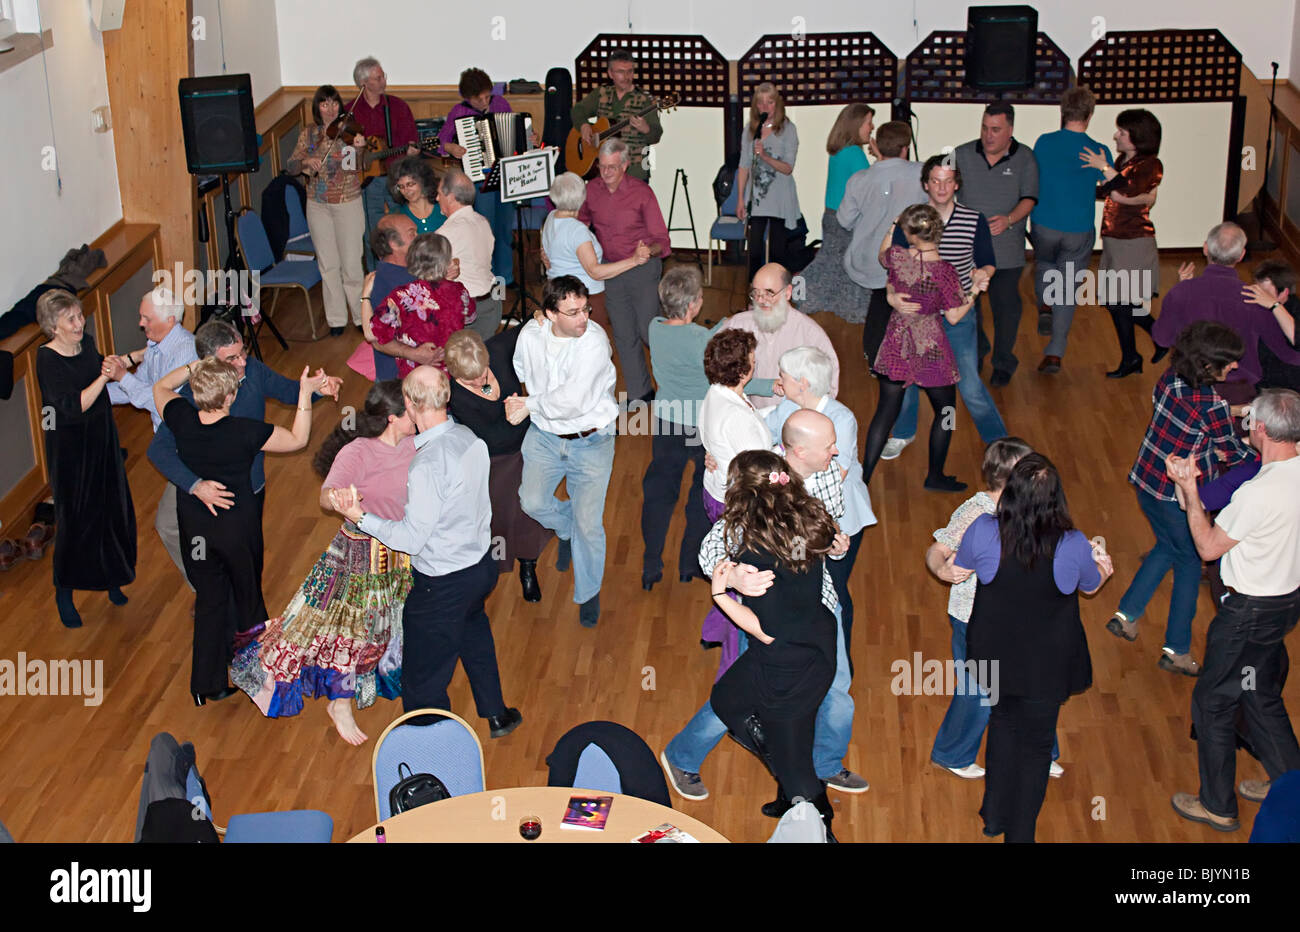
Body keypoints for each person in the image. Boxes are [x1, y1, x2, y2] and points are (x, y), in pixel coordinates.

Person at [662, 414, 866, 805]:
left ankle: (812, 770)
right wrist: (734, 579)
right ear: (797, 452)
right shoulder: (760, 485)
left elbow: (821, 534)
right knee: (749, 697)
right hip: (778, 621)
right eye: (829, 446)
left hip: (818, 605)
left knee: (831, 693)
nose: (837, 453)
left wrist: (833, 546)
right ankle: (692, 756)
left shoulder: (827, 477)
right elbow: (710, 554)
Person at [333, 367, 522, 737]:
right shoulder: (470, 439)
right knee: (473, 633)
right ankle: (496, 714)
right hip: (480, 568)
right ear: (446, 396)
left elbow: (411, 539)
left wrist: (360, 516)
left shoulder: (427, 464)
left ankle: (432, 753)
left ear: (410, 403)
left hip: (442, 584)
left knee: (422, 681)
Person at [231, 380, 416, 744]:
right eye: (413, 408)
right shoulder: (358, 452)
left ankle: (381, 691)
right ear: (394, 418)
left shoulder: (418, 443)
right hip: (358, 556)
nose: (420, 413)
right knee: (347, 633)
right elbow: (326, 495)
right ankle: (340, 703)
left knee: (386, 629)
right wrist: (340, 499)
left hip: (400, 552)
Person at [954, 453, 1112, 842]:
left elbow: (965, 565)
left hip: (994, 651)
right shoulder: (1072, 543)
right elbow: (1090, 586)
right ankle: (1021, 832)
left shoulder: (982, 530)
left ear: (1009, 492)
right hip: (1047, 660)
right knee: (1037, 745)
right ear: (1056, 498)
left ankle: (994, 814)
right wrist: (1104, 567)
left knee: (1003, 724)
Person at [152, 357, 323, 706]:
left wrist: (193, 366)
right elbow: (298, 439)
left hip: (196, 530)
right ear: (229, 396)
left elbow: (160, 388)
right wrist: (305, 393)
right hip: (236, 528)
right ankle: (261, 684)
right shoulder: (245, 431)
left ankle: (205, 684)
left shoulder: (182, 419)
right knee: (247, 601)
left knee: (211, 599)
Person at [1166, 388, 1300, 832]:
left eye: (1249, 419)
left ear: (1260, 430)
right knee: (1259, 694)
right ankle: (1292, 787)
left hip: (1248, 613)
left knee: (1212, 702)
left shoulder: (1256, 493)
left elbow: (1207, 547)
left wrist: (1188, 488)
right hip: (1286, 604)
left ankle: (1217, 805)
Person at [147, 321, 343, 596]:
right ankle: (206, 586)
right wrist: (195, 485)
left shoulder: (252, 370)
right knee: (169, 526)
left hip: (247, 483)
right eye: (231, 358)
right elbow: (158, 450)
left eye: (243, 353)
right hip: (197, 479)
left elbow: (287, 390)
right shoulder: (194, 397)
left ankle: (226, 594)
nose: (242, 363)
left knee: (242, 555)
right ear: (208, 364)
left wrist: (318, 389)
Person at [1109, 321, 1256, 675]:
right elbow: (1233, 453)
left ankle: (1126, 614)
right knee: (1191, 562)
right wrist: (1262, 453)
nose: (1234, 367)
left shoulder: (1171, 377)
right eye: (1229, 362)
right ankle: (1176, 650)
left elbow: (1194, 418)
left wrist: (1230, 413)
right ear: (1208, 366)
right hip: (1176, 494)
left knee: (1167, 546)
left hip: (1146, 479)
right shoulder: (1213, 404)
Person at [708, 449, 841, 838]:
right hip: (815, 639)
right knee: (727, 699)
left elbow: (766, 630)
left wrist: (720, 595)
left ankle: (818, 823)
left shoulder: (757, 551)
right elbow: (831, 539)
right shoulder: (807, 514)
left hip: (787, 663)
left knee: (798, 767)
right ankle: (787, 773)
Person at [925, 437, 1064, 779]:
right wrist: (942, 569)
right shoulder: (975, 511)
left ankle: (1039, 751)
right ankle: (951, 753)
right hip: (973, 617)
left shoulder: (1034, 505)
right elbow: (937, 550)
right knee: (978, 689)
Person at [881, 154, 1006, 460]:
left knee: (969, 382)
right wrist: (890, 296)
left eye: (948, 180)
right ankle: (903, 432)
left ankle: (998, 441)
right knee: (907, 379)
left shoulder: (973, 219)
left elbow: (988, 261)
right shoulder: (911, 219)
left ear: (956, 184)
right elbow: (892, 267)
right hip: (914, 317)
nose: (942, 186)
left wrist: (982, 275)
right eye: (935, 180)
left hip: (956, 315)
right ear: (926, 184)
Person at [511, 276, 618, 628]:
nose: (584, 318)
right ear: (550, 313)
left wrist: (529, 403)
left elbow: (575, 401)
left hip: (592, 441)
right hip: (544, 436)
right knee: (532, 501)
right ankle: (566, 526)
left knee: (591, 526)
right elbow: (522, 369)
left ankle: (588, 592)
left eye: (585, 309)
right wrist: (533, 405)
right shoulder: (530, 335)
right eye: (572, 313)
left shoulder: (594, 342)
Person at [34, 290, 136, 629]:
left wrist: (128, 359)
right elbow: (72, 406)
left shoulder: (86, 343)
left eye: (80, 315)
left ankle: (111, 578)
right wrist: (105, 377)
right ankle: (64, 590)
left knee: (109, 509)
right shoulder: (47, 359)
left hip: (102, 438)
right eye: (72, 319)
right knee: (76, 520)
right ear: (53, 327)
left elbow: (101, 368)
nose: (81, 323)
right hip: (70, 450)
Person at [763, 346, 876, 650]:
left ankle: (840, 656)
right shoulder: (788, 408)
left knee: (835, 589)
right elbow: (761, 440)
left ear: (803, 382)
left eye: (783, 375)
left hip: (840, 523)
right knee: (803, 581)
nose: (779, 381)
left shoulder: (841, 419)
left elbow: (833, 478)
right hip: (799, 521)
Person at [860, 204, 979, 492]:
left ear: (910, 233)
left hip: (897, 343)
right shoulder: (946, 272)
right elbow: (953, 315)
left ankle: (862, 480)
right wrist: (975, 290)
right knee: (946, 411)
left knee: (884, 413)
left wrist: (893, 223)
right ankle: (935, 475)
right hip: (930, 347)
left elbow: (882, 254)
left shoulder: (898, 258)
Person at [445, 327, 551, 602]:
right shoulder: (454, 395)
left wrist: (541, 315)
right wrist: (520, 413)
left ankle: (528, 566)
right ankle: (497, 564)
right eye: (472, 379)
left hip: (530, 444)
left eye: (484, 371)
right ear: (456, 376)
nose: (482, 379)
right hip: (494, 459)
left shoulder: (499, 350)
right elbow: (493, 438)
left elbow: (532, 324)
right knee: (501, 514)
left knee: (528, 509)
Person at [102, 289, 196, 586]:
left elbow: (157, 401)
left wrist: (121, 376)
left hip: (189, 449)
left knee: (169, 524)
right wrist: (93, 395)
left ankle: (206, 587)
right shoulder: (156, 346)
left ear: (170, 320)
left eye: (146, 318)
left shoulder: (185, 352)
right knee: (179, 523)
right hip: (175, 447)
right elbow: (135, 387)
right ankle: (208, 585)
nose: (141, 323)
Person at [1153, 223, 1300, 409]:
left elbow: (1162, 339)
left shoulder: (1181, 292)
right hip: (1237, 392)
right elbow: (1286, 353)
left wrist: (1181, 294)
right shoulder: (1254, 300)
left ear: (1206, 248)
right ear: (1241, 255)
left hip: (1189, 385)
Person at [953, 102, 1040, 386]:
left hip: (1007, 251)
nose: (988, 135)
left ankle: (1003, 361)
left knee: (1006, 308)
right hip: (969, 250)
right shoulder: (963, 154)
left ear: (1010, 130)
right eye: (984, 128)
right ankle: (976, 354)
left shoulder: (1025, 157)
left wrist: (1010, 219)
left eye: (995, 129)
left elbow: (1029, 198)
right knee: (969, 307)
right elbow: (944, 190)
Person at [578, 138, 671, 403]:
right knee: (623, 332)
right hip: (613, 268)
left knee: (648, 329)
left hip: (642, 266)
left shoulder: (642, 193)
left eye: (612, 168)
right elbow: (579, 225)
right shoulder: (591, 190)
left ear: (625, 165)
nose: (606, 173)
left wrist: (647, 252)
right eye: (602, 167)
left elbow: (662, 241)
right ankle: (640, 393)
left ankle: (671, 387)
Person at [1032, 86, 1112, 371]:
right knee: (1067, 288)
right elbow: (1110, 187)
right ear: (1089, 116)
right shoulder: (1099, 150)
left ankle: (1044, 304)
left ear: (1062, 112)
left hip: (1044, 222)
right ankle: (1055, 351)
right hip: (1078, 228)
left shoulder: (1044, 142)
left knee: (1043, 263)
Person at [1082, 108, 1164, 378]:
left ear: (1137, 137)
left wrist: (1103, 167)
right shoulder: (1123, 161)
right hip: (1116, 241)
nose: (1116, 135)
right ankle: (1141, 351)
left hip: (1134, 243)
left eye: (1122, 132)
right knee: (1114, 302)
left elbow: (1126, 189)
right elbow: (1108, 191)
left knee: (1120, 303)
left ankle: (1150, 344)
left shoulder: (1150, 164)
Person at [837, 120, 925, 359]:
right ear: (905, 148)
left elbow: (844, 220)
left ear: (877, 146)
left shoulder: (859, 179)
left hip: (866, 258)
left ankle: (874, 353)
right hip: (907, 260)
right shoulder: (921, 174)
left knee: (881, 300)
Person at [286, 85, 367, 337]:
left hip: (347, 202)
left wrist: (359, 148)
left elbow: (356, 168)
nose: (330, 109)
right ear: (317, 107)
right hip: (317, 205)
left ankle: (360, 316)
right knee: (328, 263)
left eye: (334, 103)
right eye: (324, 104)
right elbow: (290, 166)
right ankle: (335, 319)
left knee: (352, 263)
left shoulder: (350, 132)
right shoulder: (309, 135)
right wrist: (304, 162)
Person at [438, 67, 524, 285]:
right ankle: (488, 275)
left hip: (504, 177)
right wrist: (452, 147)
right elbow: (441, 141)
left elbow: (514, 129)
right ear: (468, 98)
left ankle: (506, 276)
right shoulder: (459, 111)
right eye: (480, 99)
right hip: (479, 178)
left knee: (505, 227)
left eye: (487, 96)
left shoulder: (500, 104)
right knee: (486, 227)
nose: (485, 102)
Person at [541, 171, 650, 333]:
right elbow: (595, 271)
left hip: (557, 296)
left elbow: (545, 252)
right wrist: (634, 260)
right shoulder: (577, 230)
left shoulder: (551, 217)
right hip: (583, 299)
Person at [722, 262, 838, 410]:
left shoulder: (810, 334)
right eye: (756, 293)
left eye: (769, 293)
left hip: (793, 421)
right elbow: (715, 370)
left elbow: (829, 390)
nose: (761, 300)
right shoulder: (738, 325)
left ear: (788, 292)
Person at [800, 103, 877, 322]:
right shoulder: (854, 154)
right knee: (842, 265)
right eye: (868, 123)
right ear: (856, 125)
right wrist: (881, 157)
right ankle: (800, 294)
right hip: (845, 218)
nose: (871, 128)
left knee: (832, 263)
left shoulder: (841, 151)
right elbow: (870, 187)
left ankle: (802, 294)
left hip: (832, 215)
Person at [349, 57, 421, 271]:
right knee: (374, 233)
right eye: (378, 78)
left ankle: (406, 276)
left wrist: (412, 152)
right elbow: (344, 155)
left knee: (403, 229)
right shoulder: (351, 112)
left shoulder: (397, 107)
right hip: (367, 183)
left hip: (397, 178)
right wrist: (359, 156)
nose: (383, 81)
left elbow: (412, 142)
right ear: (364, 84)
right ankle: (377, 278)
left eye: (383, 76)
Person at [367, 232, 470, 377]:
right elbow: (470, 317)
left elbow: (374, 333)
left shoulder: (401, 296)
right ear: (446, 262)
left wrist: (365, 297)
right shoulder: (459, 291)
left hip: (415, 375)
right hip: (450, 373)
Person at [735, 82, 801, 278]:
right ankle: (754, 296)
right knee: (754, 251)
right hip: (757, 200)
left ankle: (777, 296)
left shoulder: (788, 129)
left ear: (777, 104)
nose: (765, 107)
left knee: (777, 253)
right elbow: (744, 165)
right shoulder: (750, 130)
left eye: (770, 102)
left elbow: (788, 168)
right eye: (760, 103)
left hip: (780, 199)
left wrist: (765, 156)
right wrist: (740, 198)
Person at [570, 49, 663, 181]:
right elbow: (578, 110)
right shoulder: (601, 93)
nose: (626, 77)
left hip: (633, 172)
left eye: (630, 71)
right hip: (603, 170)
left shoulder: (645, 99)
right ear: (610, 73)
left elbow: (656, 134)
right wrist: (584, 125)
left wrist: (646, 129)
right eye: (621, 72)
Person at [436, 169, 502, 338]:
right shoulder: (483, 221)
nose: (437, 199)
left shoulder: (444, 234)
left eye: (439, 194)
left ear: (450, 196)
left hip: (468, 312)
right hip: (492, 303)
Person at [363, 213, 419, 381]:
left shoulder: (405, 272)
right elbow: (377, 338)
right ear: (393, 244)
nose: (419, 238)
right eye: (412, 233)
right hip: (399, 381)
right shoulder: (392, 284)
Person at [388, 155, 444, 236]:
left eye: (410, 184)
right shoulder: (397, 215)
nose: (406, 190)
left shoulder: (444, 207)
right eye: (401, 186)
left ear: (422, 181)